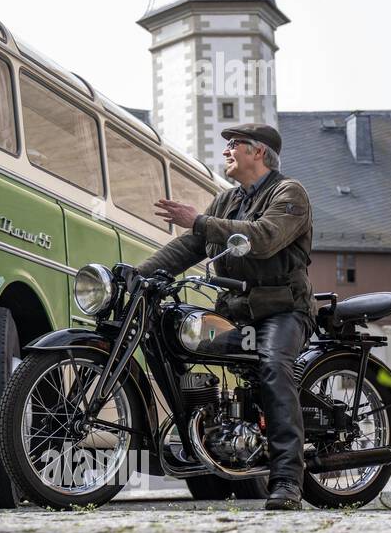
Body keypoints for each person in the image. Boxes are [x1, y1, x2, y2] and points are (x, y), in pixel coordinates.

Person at [135, 124, 315, 511]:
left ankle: (286, 480)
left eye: (234, 145)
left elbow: (263, 237)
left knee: (272, 368)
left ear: (259, 153)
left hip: (283, 311)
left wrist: (199, 220)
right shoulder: (227, 200)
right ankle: (209, 445)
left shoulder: (289, 193)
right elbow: (188, 247)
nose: (226, 151)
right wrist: (137, 274)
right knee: (178, 345)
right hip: (238, 311)